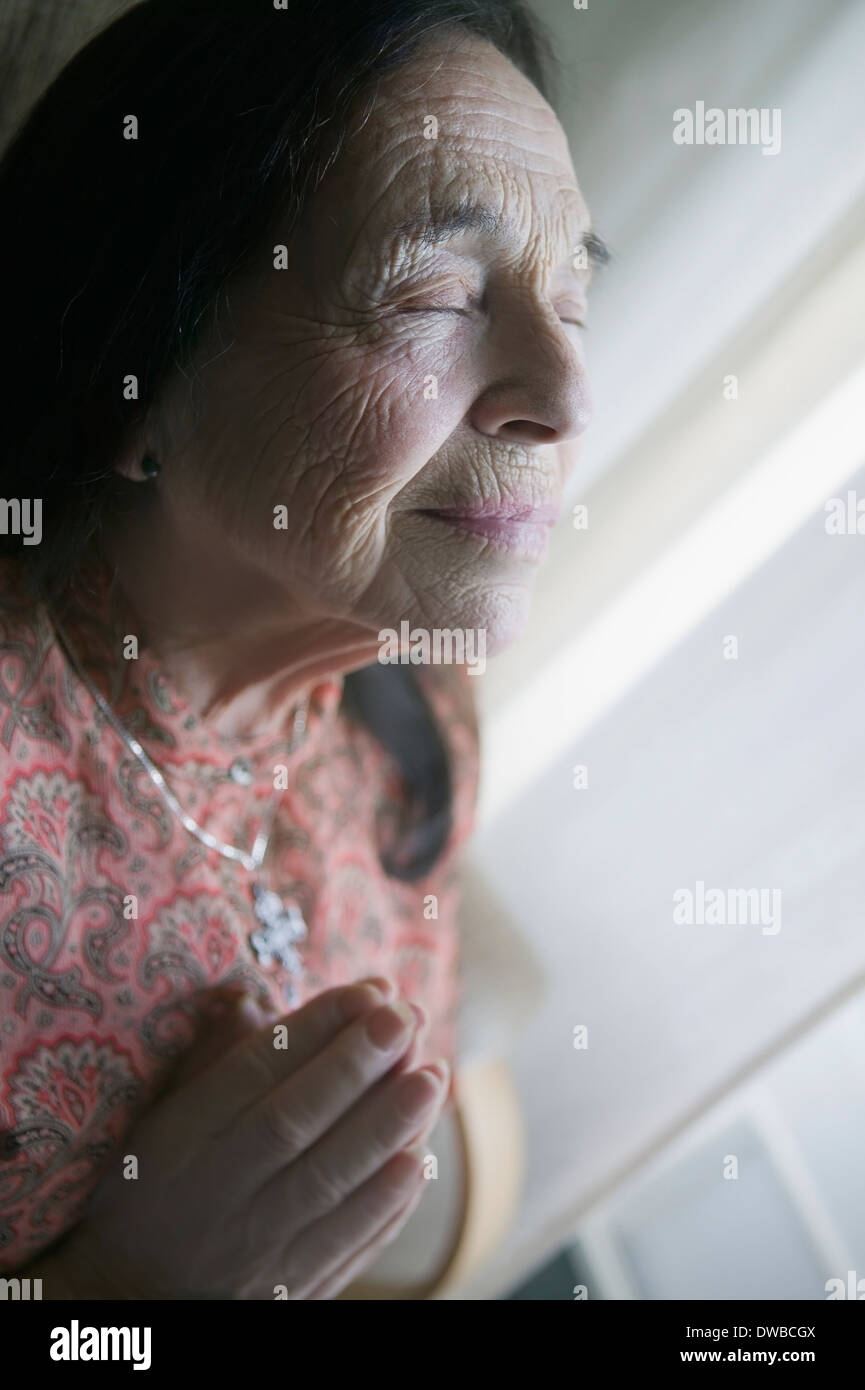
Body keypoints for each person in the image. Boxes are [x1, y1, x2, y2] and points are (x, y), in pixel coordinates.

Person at [0, 0, 599, 1298]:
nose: (564, 396)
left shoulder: (417, 703)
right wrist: (120, 1289)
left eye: (573, 299)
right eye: (439, 293)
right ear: (136, 372)